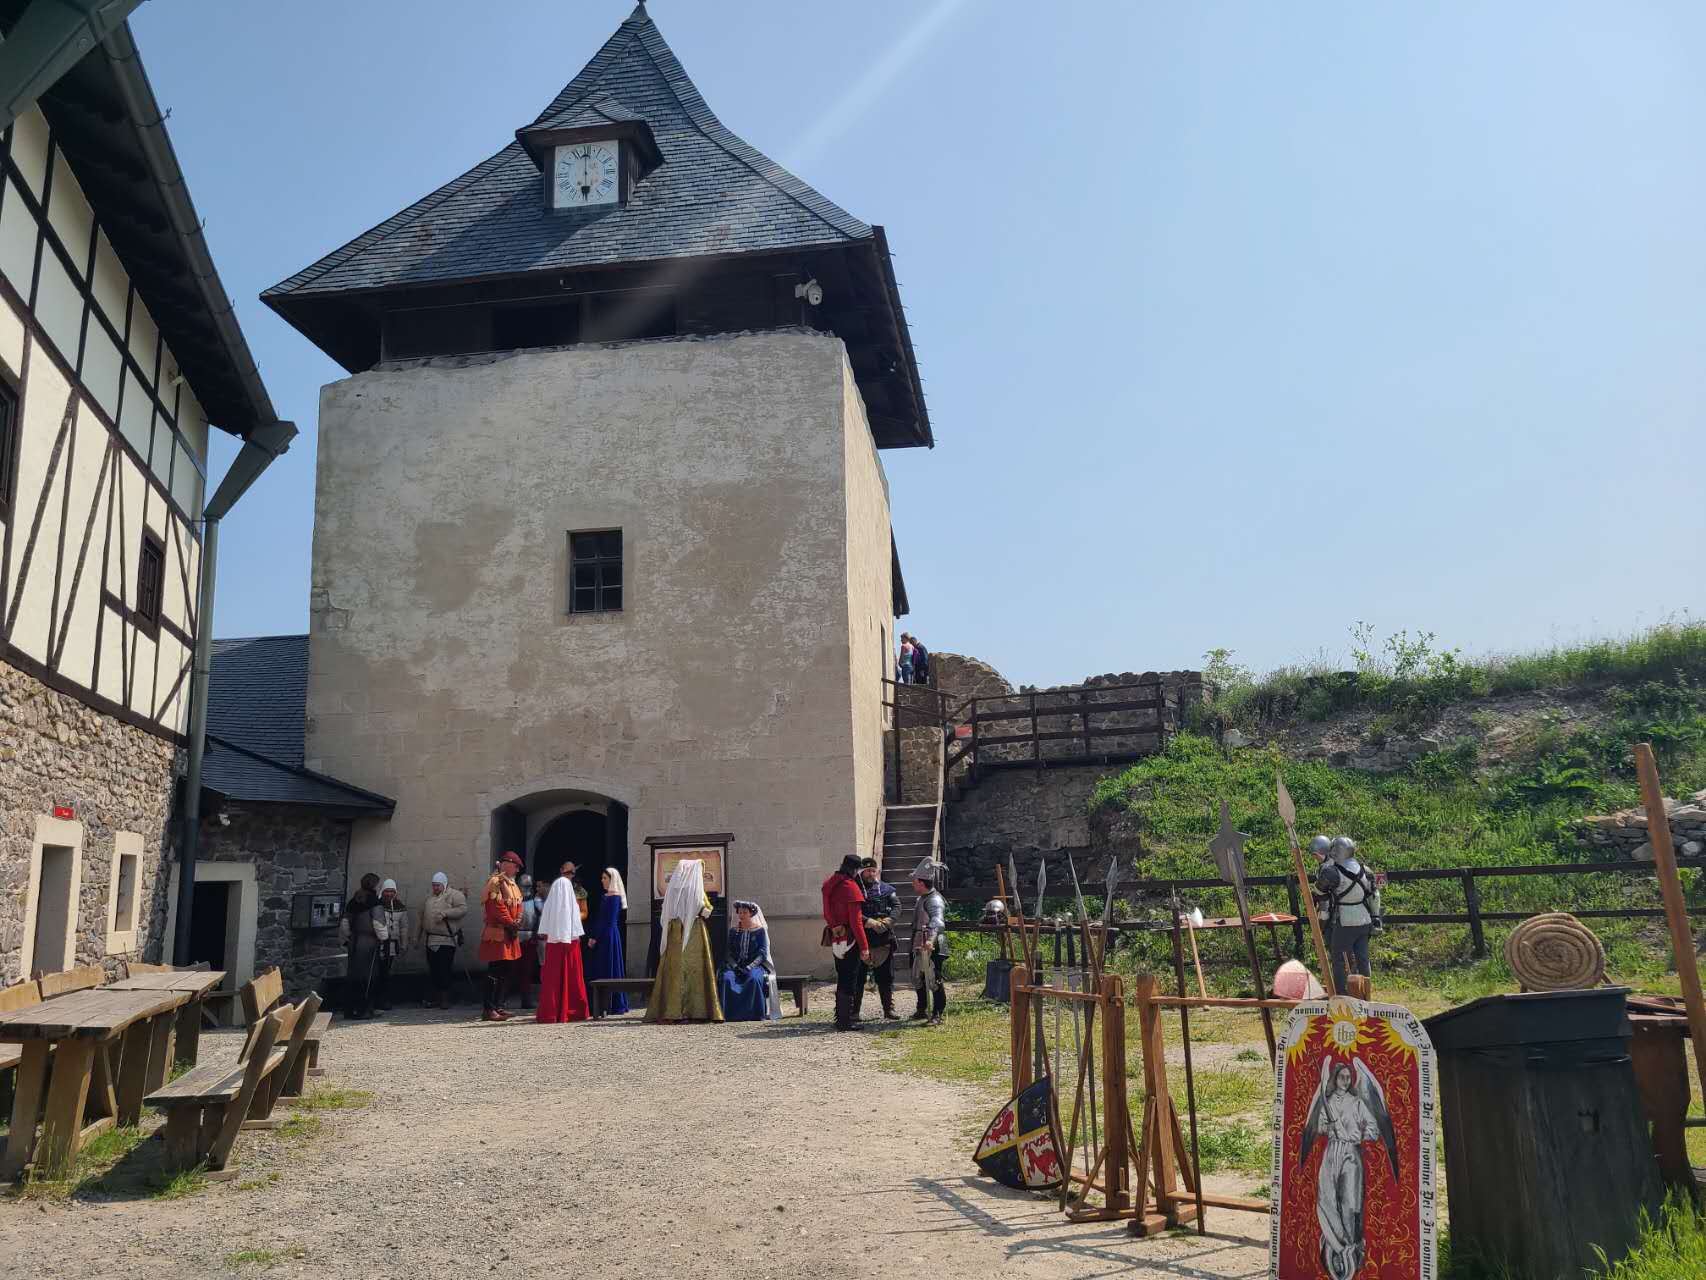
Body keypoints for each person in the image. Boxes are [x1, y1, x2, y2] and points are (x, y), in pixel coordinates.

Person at [646, 859, 723, 1023]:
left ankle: (670, 1010)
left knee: (673, 969)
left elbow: (665, 913)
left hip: (674, 933)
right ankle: (696, 1010)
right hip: (693, 931)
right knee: (694, 968)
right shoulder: (696, 889)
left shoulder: (672, 889)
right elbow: (705, 911)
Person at [1317, 837, 1382, 994]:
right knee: (1363, 959)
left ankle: (1342, 994)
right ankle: (1365, 993)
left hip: (1345, 921)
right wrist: (1376, 918)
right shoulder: (1366, 870)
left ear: (1335, 851)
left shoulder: (1331, 872)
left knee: (1339, 960)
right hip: (1364, 919)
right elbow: (1375, 896)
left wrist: (1323, 920)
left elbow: (1320, 894)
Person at [822, 853, 871, 1031]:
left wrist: (834, 926)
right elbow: (856, 922)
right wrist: (864, 947)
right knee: (849, 979)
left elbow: (827, 913)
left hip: (836, 936)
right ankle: (845, 1020)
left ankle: (840, 1016)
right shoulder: (850, 887)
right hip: (850, 939)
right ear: (856, 870)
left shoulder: (829, 883)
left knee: (842, 977)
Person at [536, 861, 590, 1023]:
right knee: (572, 977)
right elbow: (570, 913)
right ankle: (572, 1011)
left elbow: (578, 912)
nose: (570, 875)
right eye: (567, 872)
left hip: (554, 942)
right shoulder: (567, 890)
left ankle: (551, 1012)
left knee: (552, 979)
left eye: (572, 872)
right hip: (569, 942)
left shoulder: (570, 891)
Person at [479, 851, 525, 1022]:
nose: (517, 870)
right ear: (506, 864)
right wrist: (511, 923)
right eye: (516, 866)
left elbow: (519, 905)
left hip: (509, 933)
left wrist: (518, 920)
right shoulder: (495, 883)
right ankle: (488, 1008)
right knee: (495, 971)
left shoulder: (512, 884)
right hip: (498, 933)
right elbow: (496, 908)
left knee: (505, 972)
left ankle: (499, 1006)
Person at [719, 900, 777, 1022]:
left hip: (755, 966)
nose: (741, 915)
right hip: (735, 966)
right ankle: (729, 1015)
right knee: (727, 979)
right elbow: (728, 952)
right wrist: (734, 966)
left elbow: (762, 953)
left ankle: (754, 1014)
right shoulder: (733, 931)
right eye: (740, 912)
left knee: (753, 979)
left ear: (751, 914)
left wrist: (749, 967)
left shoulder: (760, 931)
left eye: (744, 912)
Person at [859, 857, 901, 1020]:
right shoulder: (855, 890)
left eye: (873, 871)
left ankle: (888, 1009)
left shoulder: (886, 889)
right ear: (861, 872)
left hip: (883, 938)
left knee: (886, 977)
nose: (870, 874)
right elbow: (852, 912)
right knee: (858, 978)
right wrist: (866, 921)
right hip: (862, 939)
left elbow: (897, 906)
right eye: (867, 871)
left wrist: (888, 921)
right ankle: (854, 1011)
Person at [416, 872, 467, 1009]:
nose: (435, 888)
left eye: (437, 885)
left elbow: (462, 909)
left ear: (443, 884)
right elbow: (421, 919)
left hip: (447, 940)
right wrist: (417, 939)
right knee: (434, 970)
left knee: (444, 969)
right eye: (433, 886)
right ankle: (436, 998)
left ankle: (445, 999)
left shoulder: (455, 895)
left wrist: (446, 913)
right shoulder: (429, 899)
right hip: (431, 939)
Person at [585, 867, 630, 1014]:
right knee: (603, 967)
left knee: (609, 967)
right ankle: (603, 1003)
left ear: (612, 880)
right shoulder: (607, 896)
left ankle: (612, 1004)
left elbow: (608, 921)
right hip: (606, 934)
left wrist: (595, 937)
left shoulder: (614, 897)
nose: (602, 881)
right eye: (602, 878)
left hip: (608, 936)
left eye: (605, 878)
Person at [911, 858, 949, 1025]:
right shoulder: (922, 898)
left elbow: (938, 922)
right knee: (917, 977)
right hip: (919, 941)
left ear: (920, 882)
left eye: (914, 881)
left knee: (934, 980)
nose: (913, 884)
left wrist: (930, 940)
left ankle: (937, 1014)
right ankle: (922, 1008)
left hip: (933, 943)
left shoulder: (934, 900)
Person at [341, 872, 382, 1019]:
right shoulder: (374, 902)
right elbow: (378, 922)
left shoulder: (353, 902)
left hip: (354, 942)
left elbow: (345, 923)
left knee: (353, 975)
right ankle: (365, 1010)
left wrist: (349, 936)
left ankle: (350, 1009)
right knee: (368, 977)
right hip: (369, 942)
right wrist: (383, 937)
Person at [370, 879, 409, 1014]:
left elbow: (403, 927)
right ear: (383, 891)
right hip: (377, 945)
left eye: (392, 891)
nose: (389, 894)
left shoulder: (400, 906)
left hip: (391, 946)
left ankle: (383, 1000)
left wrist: (404, 944)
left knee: (386, 973)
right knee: (376, 973)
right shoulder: (377, 905)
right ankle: (373, 1000)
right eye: (387, 891)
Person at [511, 874, 545, 1011]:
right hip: (514, 938)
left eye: (528, 886)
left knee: (527, 971)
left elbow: (542, 918)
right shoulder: (513, 900)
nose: (526, 889)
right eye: (524, 886)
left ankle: (526, 1000)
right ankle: (500, 1001)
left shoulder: (537, 901)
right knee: (509, 970)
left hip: (530, 937)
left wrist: (537, 935)